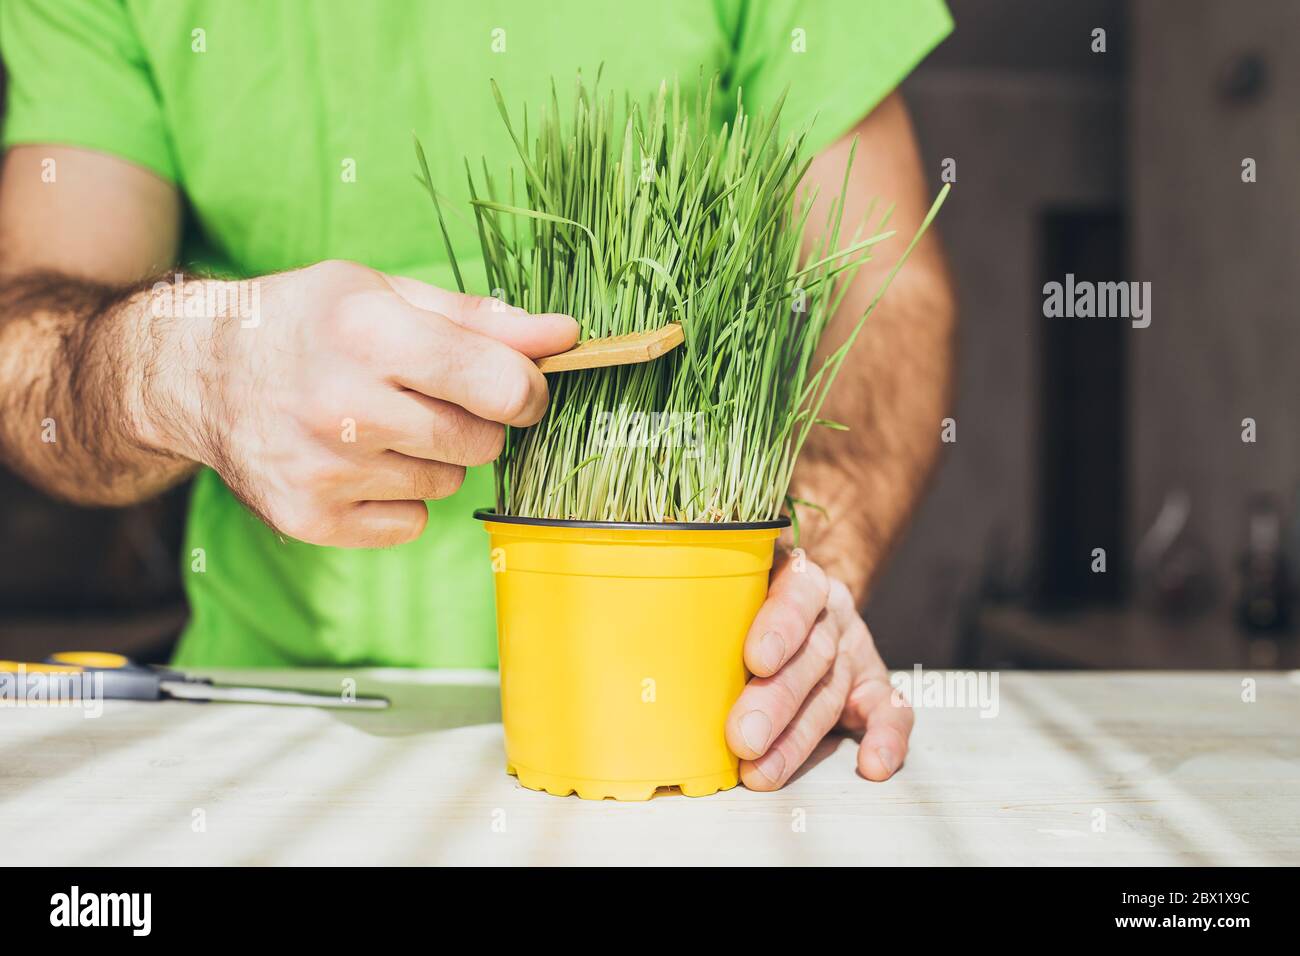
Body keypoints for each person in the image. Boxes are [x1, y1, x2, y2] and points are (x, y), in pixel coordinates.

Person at [0, 0, 955, 791]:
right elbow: (27, 343)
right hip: (285, 717)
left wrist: (811, 571)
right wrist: (196, 368)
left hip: (701, 708)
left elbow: (886, 283)